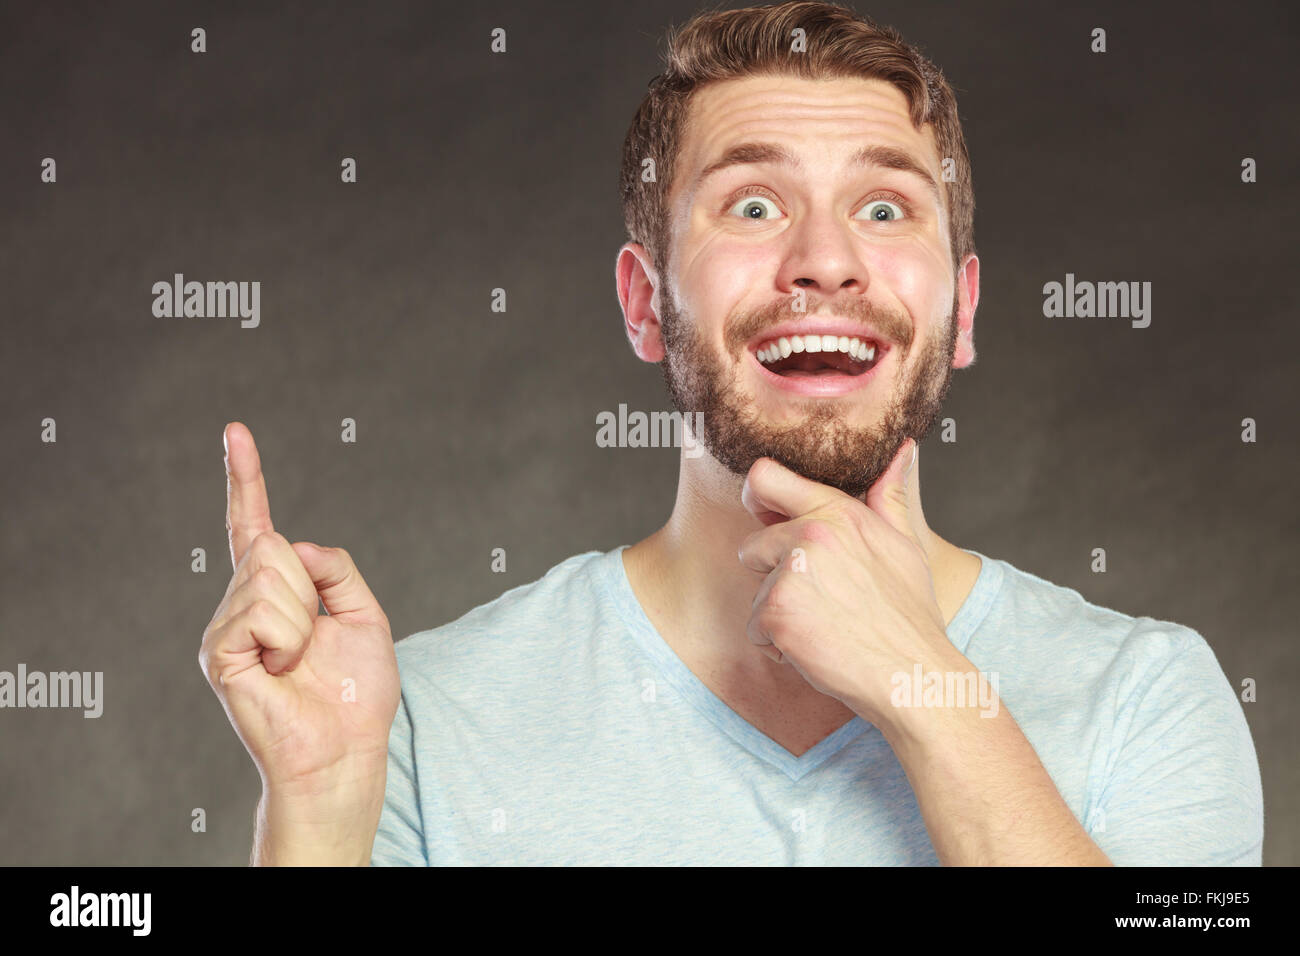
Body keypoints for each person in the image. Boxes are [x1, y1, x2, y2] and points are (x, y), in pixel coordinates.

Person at [200, 1, 1263, 865]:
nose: (824, 259)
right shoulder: (424, 719)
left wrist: (924, 690)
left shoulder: (1148, 696)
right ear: (641, 299)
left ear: (964, 307)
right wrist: (323, 811)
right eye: (752, 205)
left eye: (886, 208)